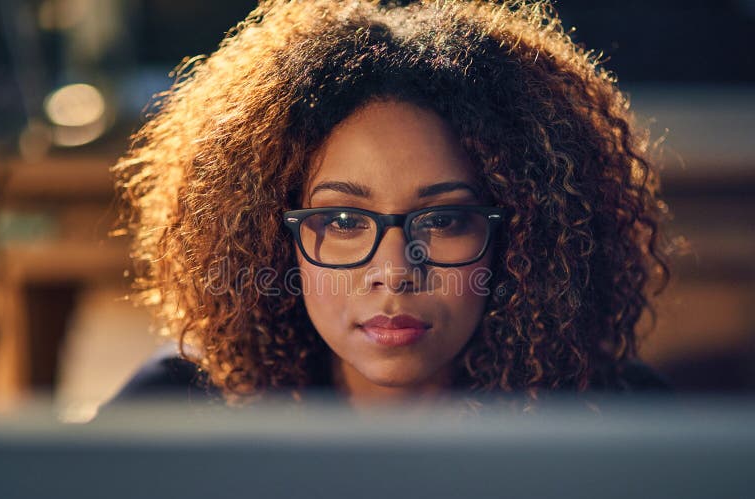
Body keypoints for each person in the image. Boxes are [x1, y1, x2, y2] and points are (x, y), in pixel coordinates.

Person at [105, 0, 676, 418]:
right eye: (344, 221)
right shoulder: (170, 414)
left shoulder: (623, 422)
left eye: (445, 220)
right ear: (272, 239)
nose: (396, 271)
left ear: (523, 239)